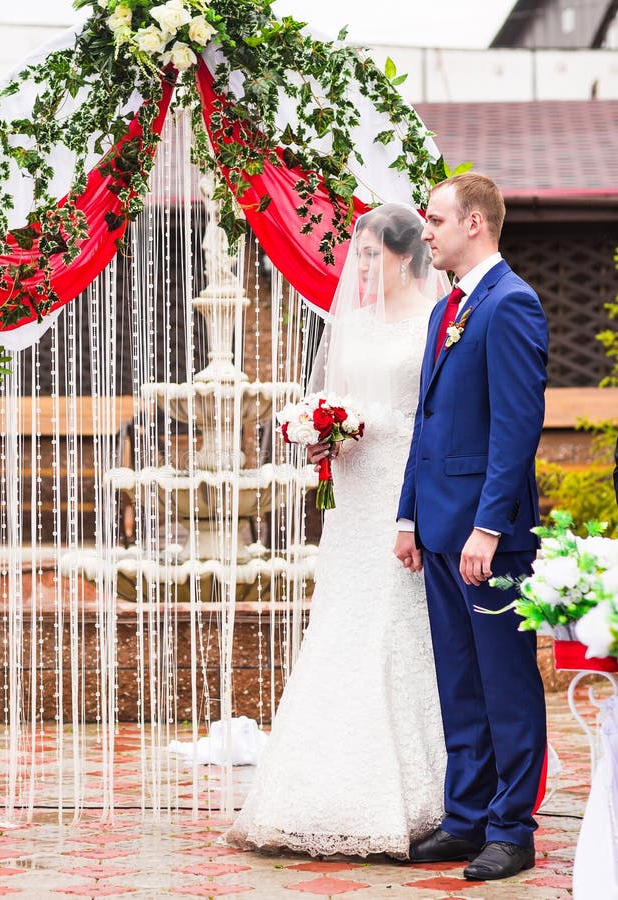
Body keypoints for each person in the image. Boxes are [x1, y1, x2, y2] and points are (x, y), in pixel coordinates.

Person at [223, 203, 449, 858]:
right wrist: (320, 432)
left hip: (404, 486)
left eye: (374, 255)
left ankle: (421, 795)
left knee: (397, 627)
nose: (363, 266)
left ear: (406, 255)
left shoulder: (435, 320)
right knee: (340, 625)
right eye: (360, 256)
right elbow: (331, 394)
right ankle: (312, 791)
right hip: (352, 491)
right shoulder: (346, 326)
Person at [394, 172, 549, 881]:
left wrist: (487, 529)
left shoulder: (510, 304)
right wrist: (408, 514)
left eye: (435, 219)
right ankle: (465, 818)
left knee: (504, 685)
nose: (425, 231)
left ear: (474, 224)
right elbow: (427, 423)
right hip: (437, 530)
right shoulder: (444, 310)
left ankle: (510, 830)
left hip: (489, 539)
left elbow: (515, 431)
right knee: (458, 682)